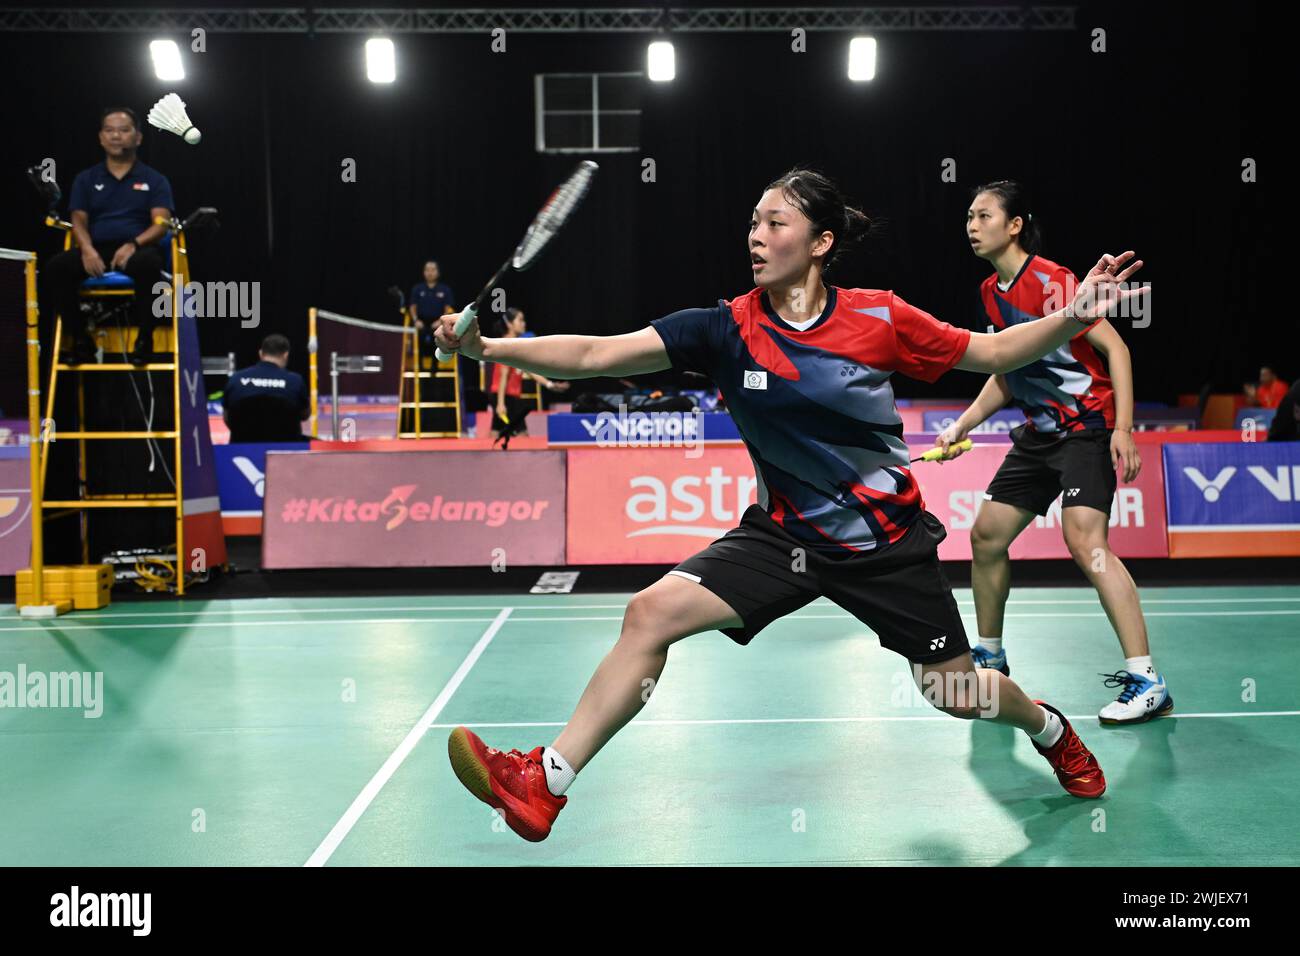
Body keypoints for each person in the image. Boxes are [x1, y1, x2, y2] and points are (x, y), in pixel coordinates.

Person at [436, 168, 1144, 842]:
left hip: (885, 545)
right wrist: (490, 347)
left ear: (821, 242)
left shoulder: (879, 317)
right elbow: (594, 355)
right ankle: (546, 783)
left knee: (957, 694)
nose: (755, 235)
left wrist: (1075, 314)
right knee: (648, 614)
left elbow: (992, 353)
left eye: (775, 222)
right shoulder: (723, 329)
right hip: (782, 539)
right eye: (752, 223)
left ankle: (1050, 729)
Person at [935, 181, 1169, 725]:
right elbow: (1008, 372)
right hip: (1040, 434)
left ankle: (1146, 678)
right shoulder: (991, 292)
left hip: (1087, 425)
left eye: (984, 215)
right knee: (987, 536)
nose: (972, 224)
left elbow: (1116, 349)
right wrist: (961, 425)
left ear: (1014, 225)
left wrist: (1124, 429)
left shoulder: (1053, 280)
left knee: (1086, 543)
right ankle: (990, 661)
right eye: (968, 216)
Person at [42, 107, 175, 367]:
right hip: (97, 248)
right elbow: (78, 221)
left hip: (138, 248)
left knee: (150, 266)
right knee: (56, 268)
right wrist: (88, 250)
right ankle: (81, 341)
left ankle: (144, 341)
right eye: (110, 130)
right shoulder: (86, 179)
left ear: (138, 138)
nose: (116, 136)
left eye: (124, 130)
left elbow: (161, 223)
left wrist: (133, 244)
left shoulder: (155, 180)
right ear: (101, 138)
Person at [489, 308, 569, 446]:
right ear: (509, 324)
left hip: (507, 396)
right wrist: (501, 403)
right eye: (520, 320)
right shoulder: (507, 344)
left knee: (495, 434)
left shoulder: (517, 343)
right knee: (522, 436)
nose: (524, 324)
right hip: (506, 396)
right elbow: (504, 374)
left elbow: (529, 370)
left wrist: (550, 385)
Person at [221, 334, 310, 443]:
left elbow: (227, 417)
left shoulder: (236, 378)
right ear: (286, 355)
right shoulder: (295, 381)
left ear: (260, 353)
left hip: (242, 447)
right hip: (285, 448)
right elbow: (304, 415)